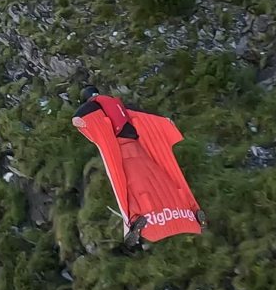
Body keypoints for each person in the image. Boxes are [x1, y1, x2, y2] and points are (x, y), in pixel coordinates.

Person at [72, 85, 205, 249]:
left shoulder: (93, 105)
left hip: (123, 151)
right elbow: (141, 114)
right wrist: (164, 123)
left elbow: (81, 115)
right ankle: (190, 210)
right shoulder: (118, 103)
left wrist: (79, 122)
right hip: (139, 147)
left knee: (134, 187)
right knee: (162, 182)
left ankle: (135, 220)